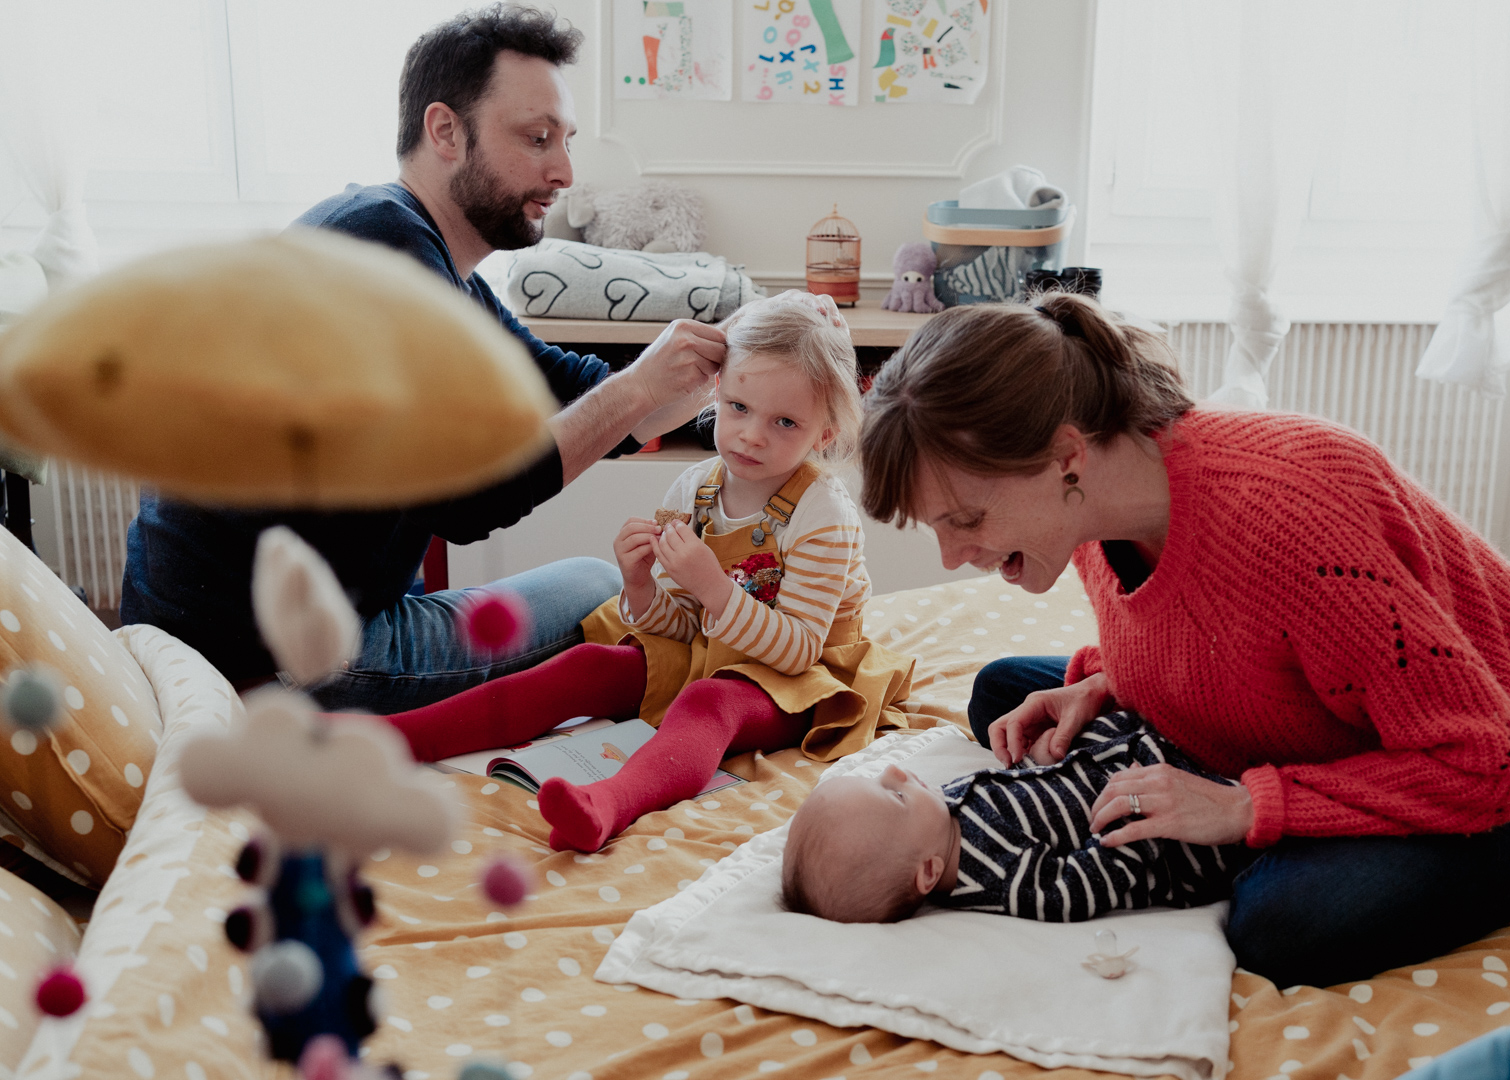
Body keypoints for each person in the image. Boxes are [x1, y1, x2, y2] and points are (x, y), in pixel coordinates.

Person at [856, 290, 1510, 989]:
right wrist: (1106, 678)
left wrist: (1243, 807)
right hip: (1327, 721)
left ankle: (1258, 827)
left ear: (1066, 458)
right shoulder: (1092, 508)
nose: (954, 557)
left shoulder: (1287, 519)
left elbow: (1484, 764)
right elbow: (1211, 623)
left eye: (966, 520)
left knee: (1281, 926)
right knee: (1003, 694)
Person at [121, 5, 729, 712]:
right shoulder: (382, 253)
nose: (563, 170)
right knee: (601, 588)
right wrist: (637, 387)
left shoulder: (419, 254)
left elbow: (565, 388)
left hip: (270, 628)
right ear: (444, 129)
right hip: (281, 660)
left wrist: (728, 370)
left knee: (582, 584)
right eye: (536, 139)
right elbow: (477, 498)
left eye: (563, 141)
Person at [378, 293, 915, 852]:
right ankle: (395, 737)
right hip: (716, 649)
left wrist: (710, 586)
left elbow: (799, 650)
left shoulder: (822, 514)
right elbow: (682, 628)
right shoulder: (696, 490)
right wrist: (639, 585)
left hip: (797, 679)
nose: (752, 435)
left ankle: (607, 804)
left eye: (785, 422)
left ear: (823, 434)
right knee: (591, 663)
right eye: (738, 408)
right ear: (717, 393)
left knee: (710, 701)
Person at [781, 711, 1245, 924]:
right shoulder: (993, 873)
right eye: (894, 797)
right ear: (928, 872)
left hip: (1119, 761)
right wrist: (1134, 826)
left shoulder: (938, 817)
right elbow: (1072, 891)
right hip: (1174, 834)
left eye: (881, 777)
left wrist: (1036, 762)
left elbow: (1022, 792)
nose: (898, 771)